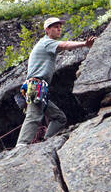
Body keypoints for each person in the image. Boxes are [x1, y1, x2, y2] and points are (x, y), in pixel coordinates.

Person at [16, 17, 94, 146]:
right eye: (55, 27)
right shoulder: (47, 42)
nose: (59, 29)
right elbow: (65, 45)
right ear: (47, 30)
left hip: (40, 87)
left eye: (60, 26)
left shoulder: (46, 43)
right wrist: (84, 44)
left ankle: (45, 142)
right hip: (36, 85)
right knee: (34, 115)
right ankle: (21, 146)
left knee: (59, 118)